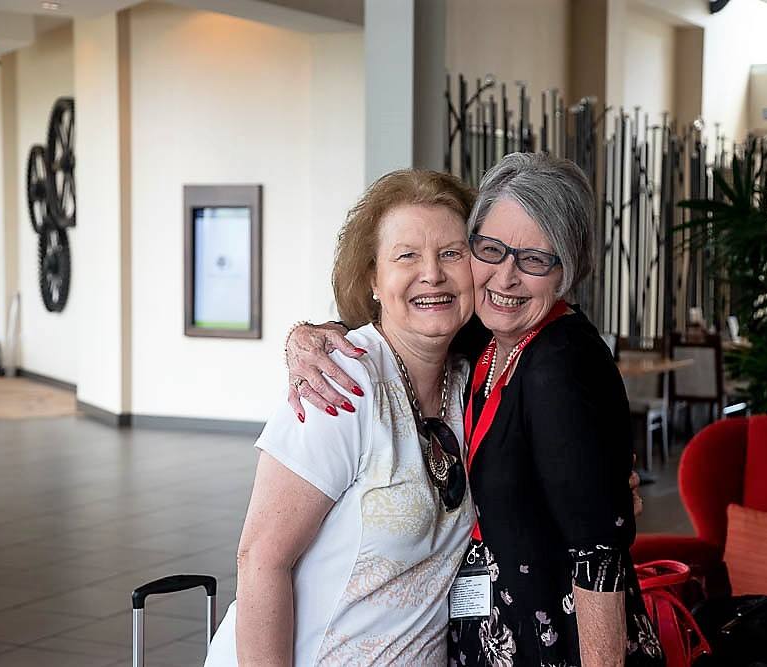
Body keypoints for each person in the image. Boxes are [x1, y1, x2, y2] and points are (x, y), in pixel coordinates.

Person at [285, 153, 664, 666]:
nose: (506, 277)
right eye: (490, 249)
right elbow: (405, 310)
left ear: (567, 271)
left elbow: (599, 556)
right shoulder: (482, 344)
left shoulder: (561, 362)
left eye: (536, 259)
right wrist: (307, 337)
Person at [203, 169, 478, 666]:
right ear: (373, 278)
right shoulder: (340, 381)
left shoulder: (471, 384)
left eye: (452, 253)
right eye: (406, 255)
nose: (432, 273)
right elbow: (261, 559)